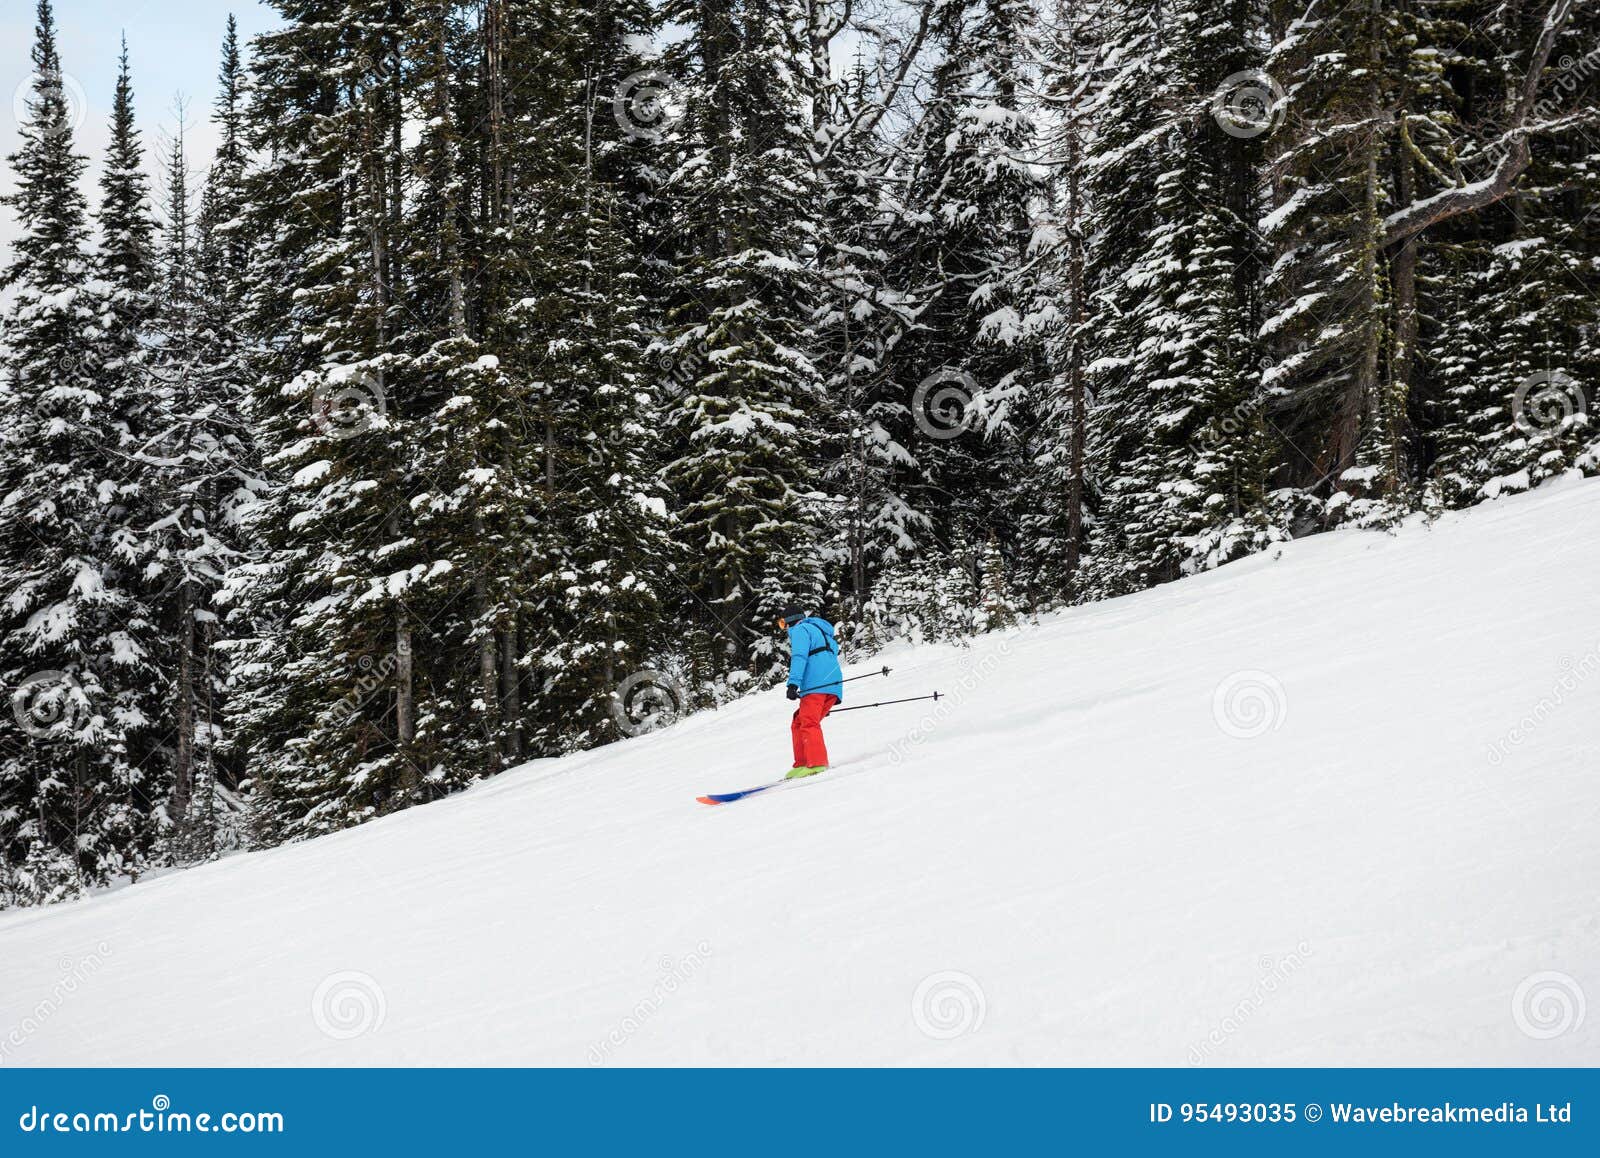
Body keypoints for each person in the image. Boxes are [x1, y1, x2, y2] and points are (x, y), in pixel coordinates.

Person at [781, 606, 842, 779]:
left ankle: (816, 763)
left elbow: (799, 657)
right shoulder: (821, 631)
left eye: (782, 623)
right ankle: (803, 763)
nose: (784, 629)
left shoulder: (800, 630)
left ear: (790, 621)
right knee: (798, 721)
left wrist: (793, 684)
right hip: (832, 686)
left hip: (816, 685)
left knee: (808, 722)